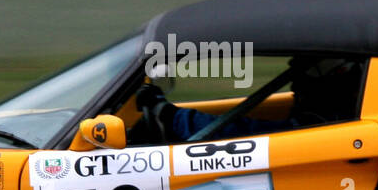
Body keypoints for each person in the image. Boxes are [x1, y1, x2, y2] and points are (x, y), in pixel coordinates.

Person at [135, 56, 363, 142]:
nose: (294, 86)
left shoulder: (329, 127)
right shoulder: (336, 112)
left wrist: (171, 118)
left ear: (338, 78)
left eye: (304, 76)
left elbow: (250, 136)